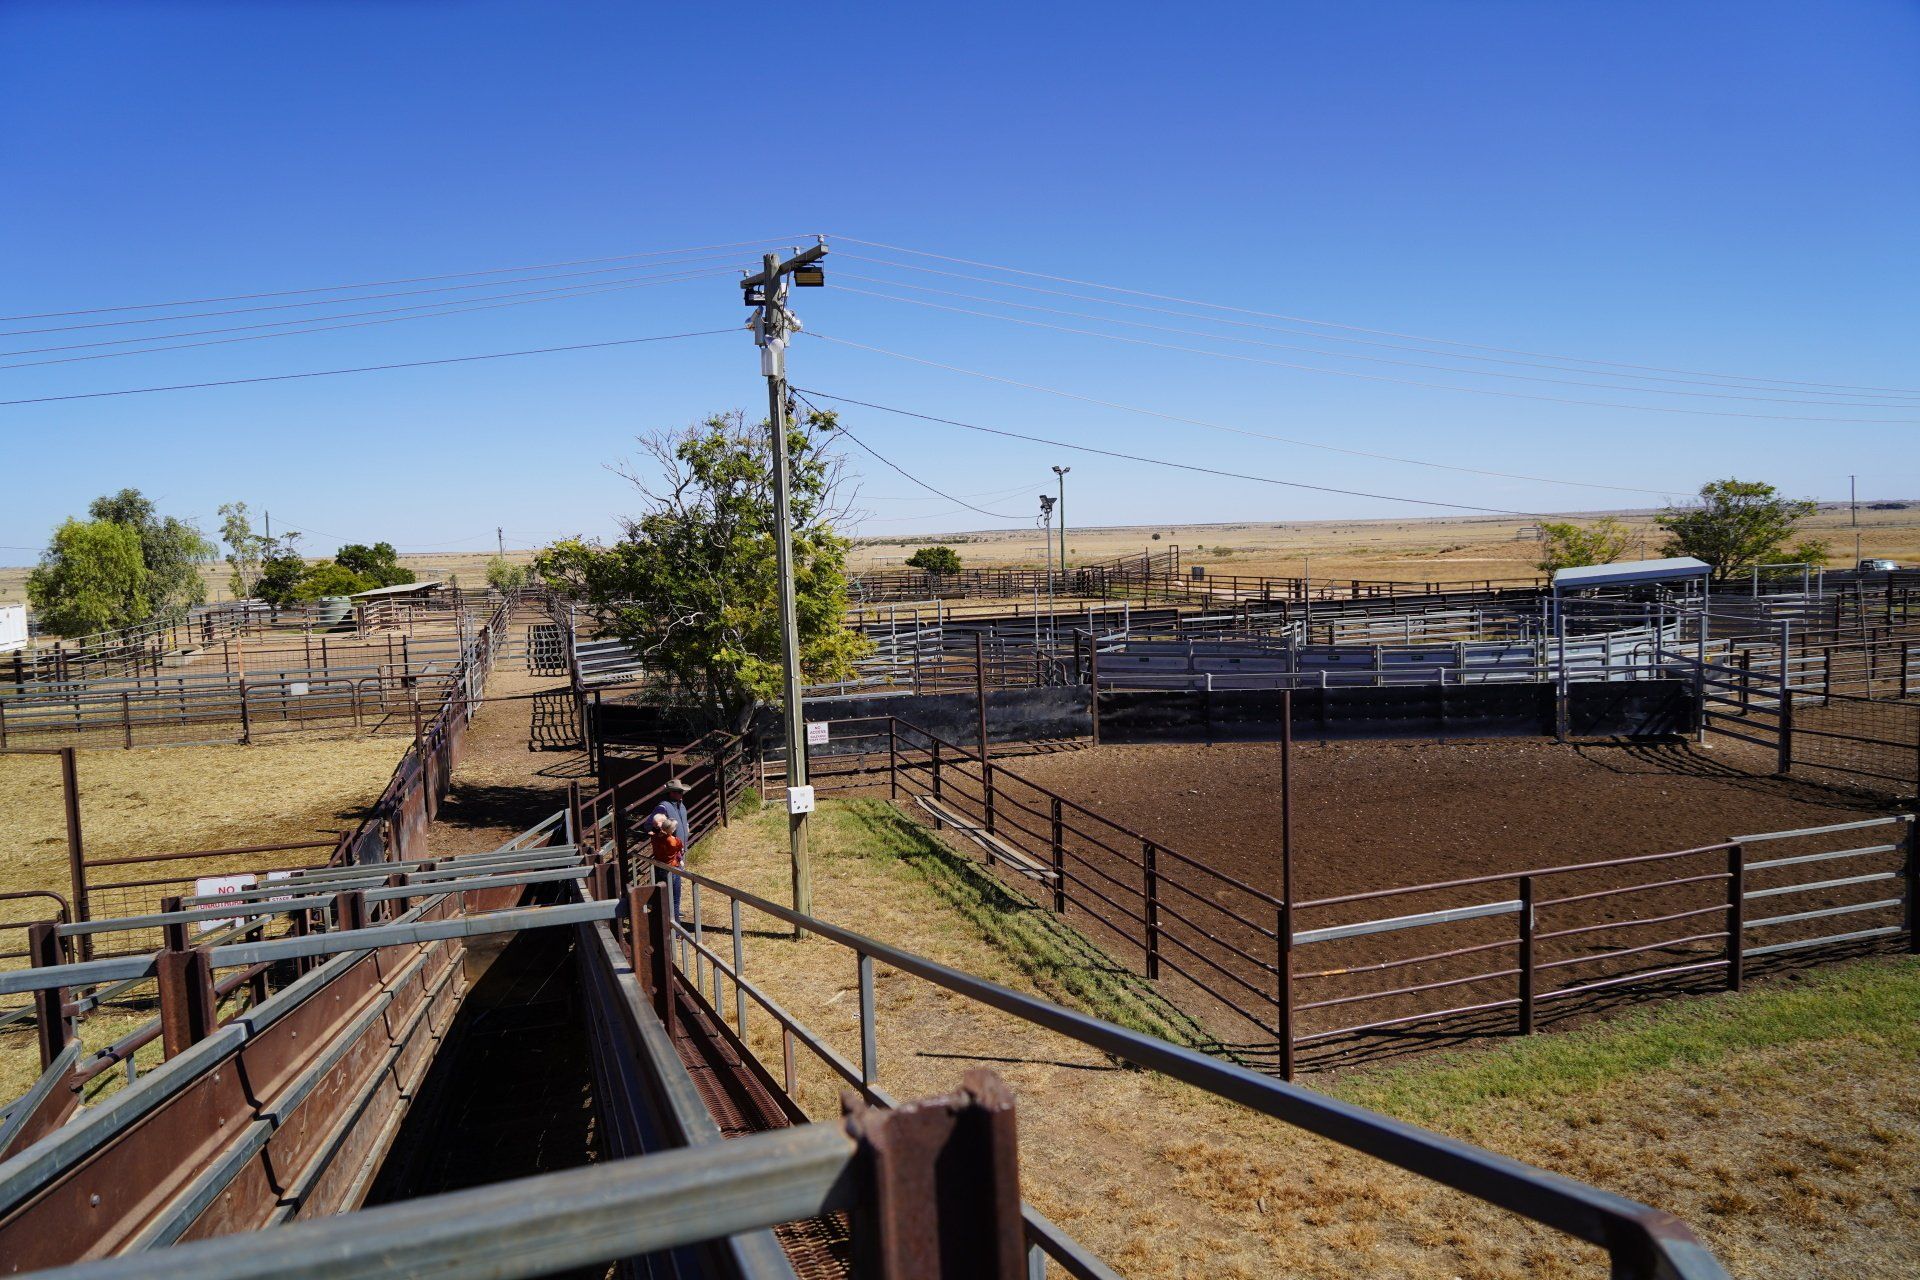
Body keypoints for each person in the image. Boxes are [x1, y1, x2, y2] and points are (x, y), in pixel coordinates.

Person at [648, 810, 685, 921]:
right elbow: (681, 849)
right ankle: (675, 926)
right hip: (672, 868)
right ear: (672, 829)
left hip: (659, 867)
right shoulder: (674, 841)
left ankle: (661, 921)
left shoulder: (654, 837)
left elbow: (654, 835)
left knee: (662, 896)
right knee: (675, 899)